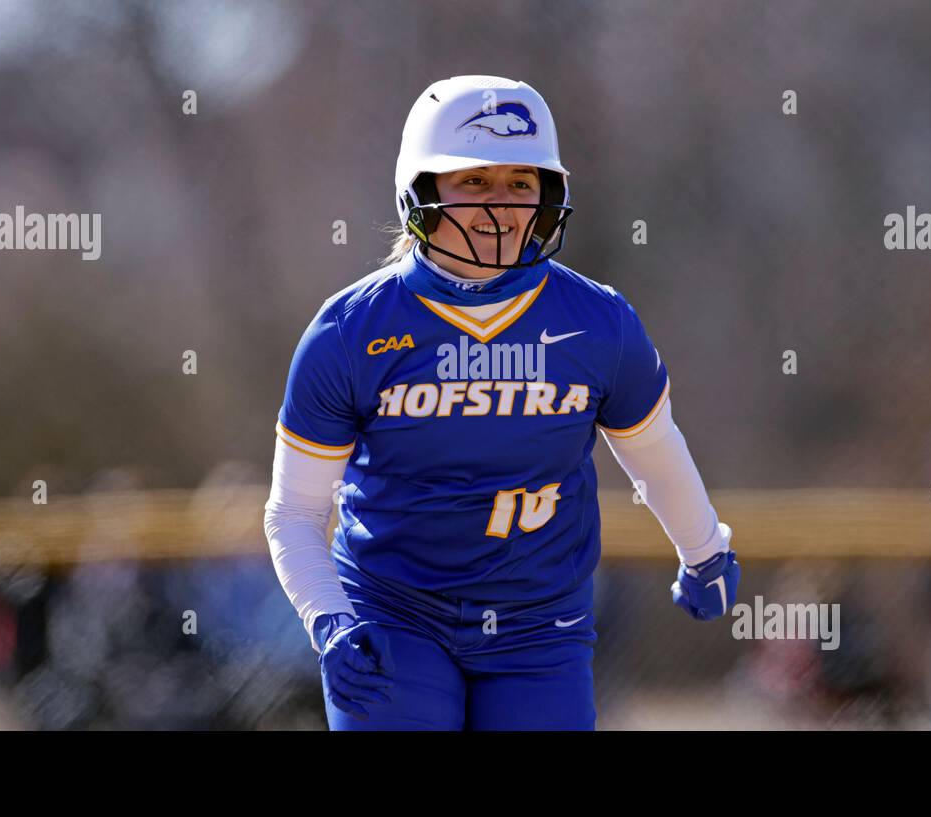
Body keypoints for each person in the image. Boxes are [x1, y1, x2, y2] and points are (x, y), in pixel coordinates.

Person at [264, 75, 740, 730]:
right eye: (475, 181)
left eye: (520, 183)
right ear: (420, 190)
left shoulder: (598, 321)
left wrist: (704, 549)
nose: (500, 205)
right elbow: (295, 510)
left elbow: (653, 453)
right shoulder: (351, 329)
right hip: (394, 611)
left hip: (540, 623)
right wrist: (329, 620)